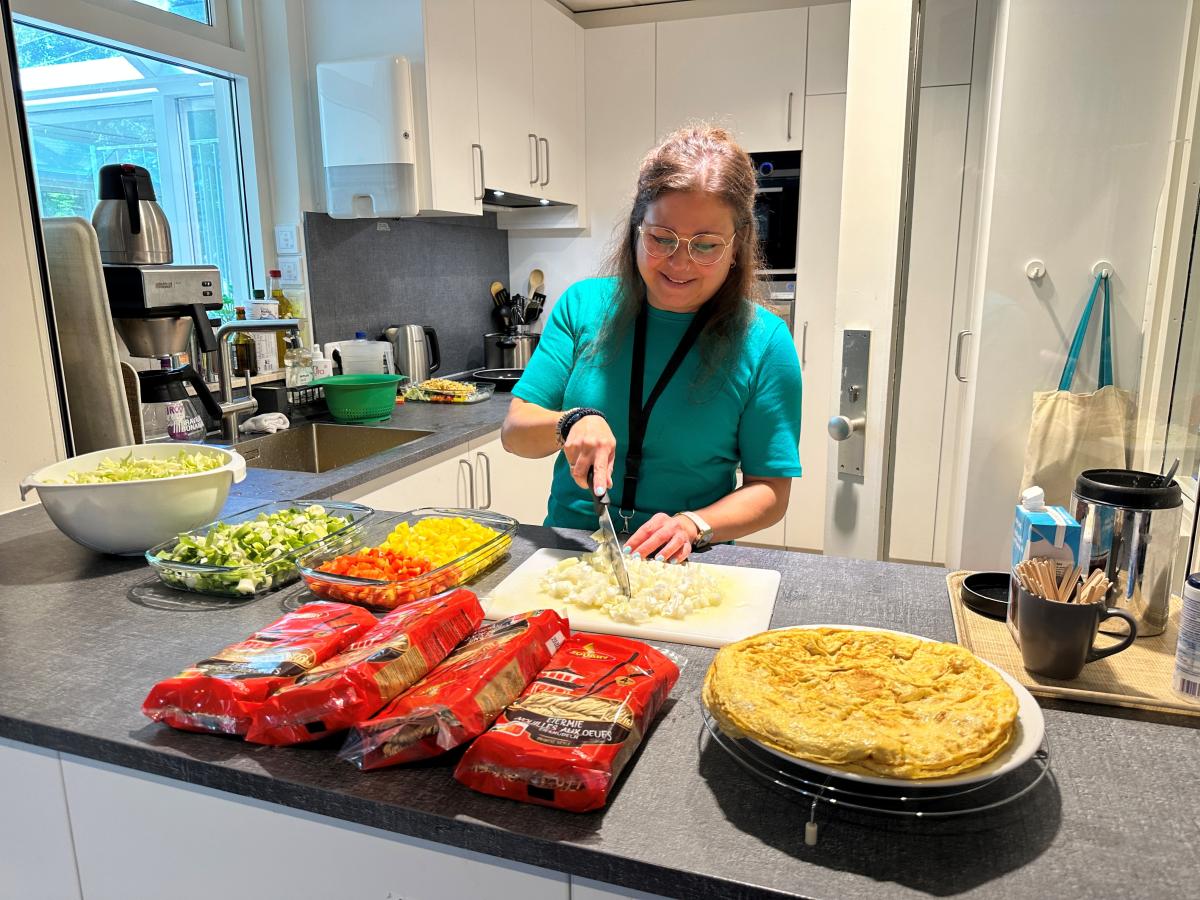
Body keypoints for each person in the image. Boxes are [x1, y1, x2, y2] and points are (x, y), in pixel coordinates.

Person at [501, 124, 803, 563]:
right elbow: (515, 433)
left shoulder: (766, 342)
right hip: (570, 549)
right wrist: (569, 422)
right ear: (636, 230)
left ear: (737, 247)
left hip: (686, 557)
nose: (680, 262)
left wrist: (692, 524)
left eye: (706, 245)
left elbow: (770, 490)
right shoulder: (581, 306)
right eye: (662, 238)